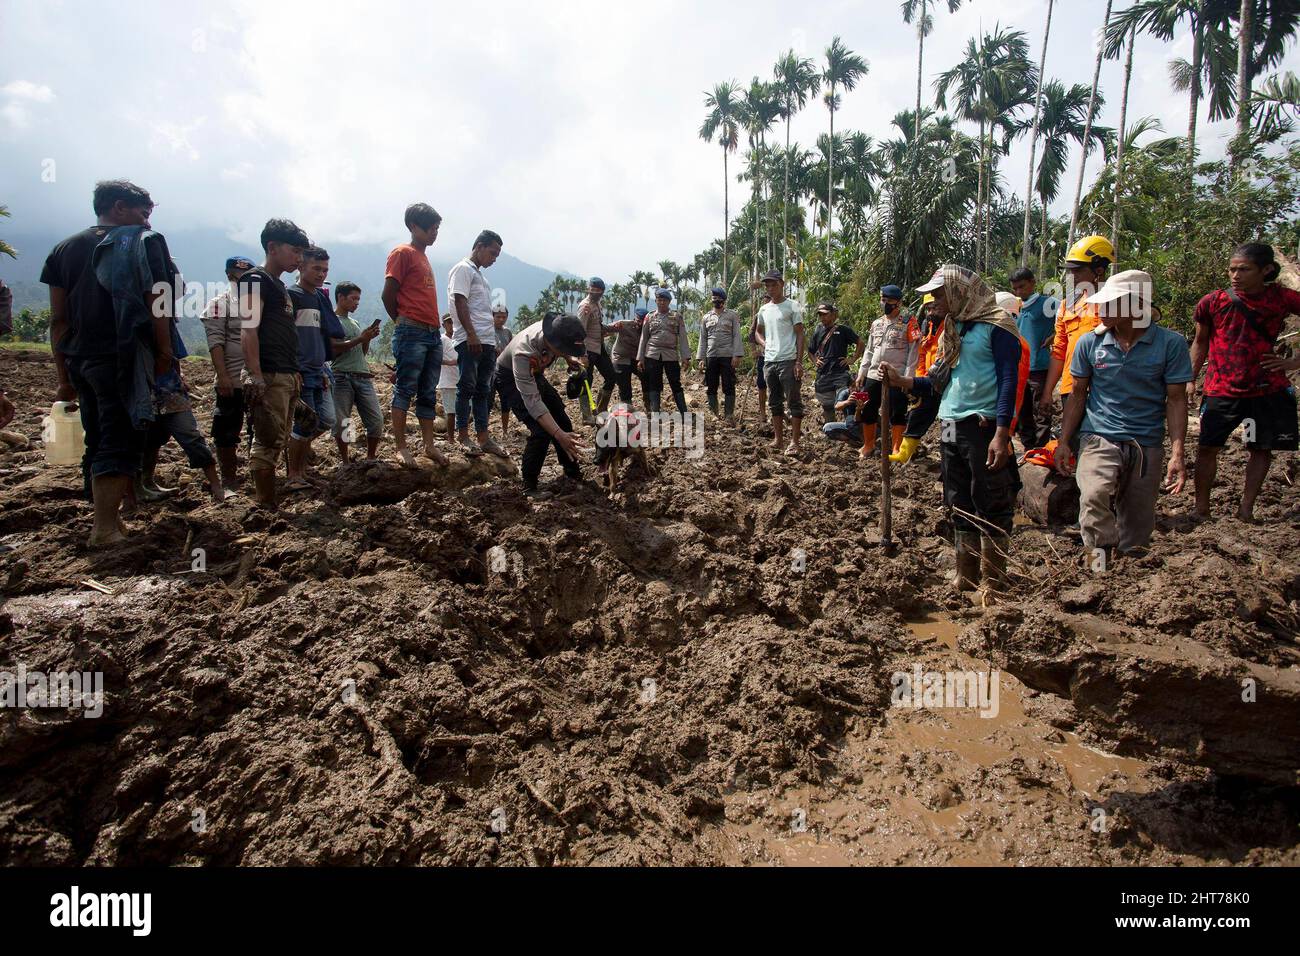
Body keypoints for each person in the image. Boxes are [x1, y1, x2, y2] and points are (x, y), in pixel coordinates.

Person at [881, 265, 1029, 594]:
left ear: (960, 293)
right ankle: (966, 575)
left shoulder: (999, 327)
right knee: (957, 497)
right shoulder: (953, 328)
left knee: (989, 496)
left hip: (983, 424)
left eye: (940, 293)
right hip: (950, 423)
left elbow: (1008, 382)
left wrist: (1002, 433)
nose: (933, 301)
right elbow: (936, 381)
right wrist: (901, 380)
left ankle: (993, 579)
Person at [42, 180, 175, 546]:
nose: (147, 221)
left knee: (97, 436)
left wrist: (63, 374)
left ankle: (109, 519)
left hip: (80, 358)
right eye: (143, 212)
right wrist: (163, 352)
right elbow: (158, 301)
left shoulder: (62, 249)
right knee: (121, 437)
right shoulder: (143, 243)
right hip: (122, 356)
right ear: (119, 207)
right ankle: (104, 528)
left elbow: (58, 318)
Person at [1056, 270, 1191, 566]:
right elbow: (1077, 396)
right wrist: (1064, 441)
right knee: (1093, 497)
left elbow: (1177, 399)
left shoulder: (1170, 344)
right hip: (1098, 436)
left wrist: (1177, 453)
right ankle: (1097, 569)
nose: (1099, 310)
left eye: (1109, 304)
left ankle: (1130, 579)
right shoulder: (1089, 344)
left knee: (1138, 520)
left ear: (1135, 305)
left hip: (1146, 442)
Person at [1191, 242, 1300, 522]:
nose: (1235, 275)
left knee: (1260, 447)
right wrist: (1189, 380)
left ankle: (1246, 509)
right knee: (1208, 446)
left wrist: (1294, 362)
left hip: (1265, 389)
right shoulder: (1213, 302)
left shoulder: (1282, 299)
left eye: (1244, 269)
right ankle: (1201, 509)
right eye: (1232, 269)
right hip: (1221, 388)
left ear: (1265, 270)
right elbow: (1200, 343)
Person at [238, 218, 310, 511]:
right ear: (272, 247)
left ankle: (269, 499)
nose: (299, 258)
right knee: (268, 440)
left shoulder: (279, 286)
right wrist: (255, 374)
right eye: (294, 251)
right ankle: (265, 505)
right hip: (268, 372)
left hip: (286, 373)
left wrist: (295, 372)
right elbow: (248, 328)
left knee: (280, 437)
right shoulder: (255, 280)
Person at [495, 312, 589, 498]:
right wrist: (557, 435)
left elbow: (558, 347)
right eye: (565, 350)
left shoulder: (555, 329)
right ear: (553, 343)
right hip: (509, 379)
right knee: (541, 431)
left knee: (562, 420)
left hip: (535, 374)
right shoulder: (525, 352)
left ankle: (571, 473)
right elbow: (533, 403)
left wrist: (569, 359)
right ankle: (529, 486)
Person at [384, 202, 448, 467]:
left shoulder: (423, 256)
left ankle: (429, 446)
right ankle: (401, 447)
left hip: (432, 333)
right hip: (412, 330)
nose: (434, 233)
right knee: (405, 388)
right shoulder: (403, 253)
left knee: (427, 391)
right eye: (430, 228)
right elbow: (388, 293)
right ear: (413, 227)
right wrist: (400, 321)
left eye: (436, 228)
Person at [449, 230, 509, 458]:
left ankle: (483, 437)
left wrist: (489, 340)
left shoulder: (482, 277)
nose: (493, 259)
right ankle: (464, 437)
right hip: (470, 340)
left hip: (486, 341)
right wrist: (471, 335)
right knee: (466, 387)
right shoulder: (463, 269)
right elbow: (460, 301)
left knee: (483, 390)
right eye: (492, 253)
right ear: (480, 246)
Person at [1039, 235, 1113, 421]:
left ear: (1099, 270)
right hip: (1071, 389)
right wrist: (1048, 392)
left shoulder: (1116, 305)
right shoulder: (1067, 305)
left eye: (1078, 270)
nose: (1072, 276)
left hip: (1107, 390)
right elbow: (1059, 351)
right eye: (1071, 271)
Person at [286, 247, 342, 490]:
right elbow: (286, 336)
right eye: (316, 268)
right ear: (301, 266)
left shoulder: (319, 298)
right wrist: (292, 368)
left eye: (325, 270)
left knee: (326, 419)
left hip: (318, 368)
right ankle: (294, 474)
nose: (321, 274)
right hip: (300, 368)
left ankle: (300, 466)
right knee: (305, 423)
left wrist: (323, 368)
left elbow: (323, 336)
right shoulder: (292, 295)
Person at [202, 255, 256, 493]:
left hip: (255, 379)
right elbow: (215, 342)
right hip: (231, 378)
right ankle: (229, 479)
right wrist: (222, 375)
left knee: (260, 429)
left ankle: (258, 474)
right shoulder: (219, 303)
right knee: (226, 431)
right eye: (240, 274)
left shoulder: (257, 304)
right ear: (229, 275)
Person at [855, 284, 918, 458]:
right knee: (867, 408)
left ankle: (896, 448)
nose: (885, 304)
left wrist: (908, 378)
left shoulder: (909, 323)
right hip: (874, 374)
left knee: (897, 410)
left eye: (889, 301)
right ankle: (868, 445)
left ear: (899, 303)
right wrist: (862, 372)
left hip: (896, 375)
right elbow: (869, 350)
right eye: (883, 300)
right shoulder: (876, 324)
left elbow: (914, 351)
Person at [330, 280, 383, 462]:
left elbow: (361, 353)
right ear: (340, 297)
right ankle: (346, 460)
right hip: (342, 376)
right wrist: (361, 338)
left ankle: (370, 457)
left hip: (362, 375)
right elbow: (333, 349)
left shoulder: (354, 321)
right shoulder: (332, 321)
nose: (357, 303)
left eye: (358, 300)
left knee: (376, 420)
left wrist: (366, 339)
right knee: (345, 421)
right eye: (353, 299)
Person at [752, 270, 804, 454]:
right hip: (770, 361)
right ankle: (778, 439)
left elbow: (799, 333)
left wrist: (799, 361)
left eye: (773, 284)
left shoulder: (793, 306)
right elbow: (758, 331)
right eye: (767, 285)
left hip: (788, 360)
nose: (770, 288)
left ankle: (795, 442)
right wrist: (764, 342)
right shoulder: (764, 309)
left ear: (782, 284)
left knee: (794, 402)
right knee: (774, 401)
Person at [890, 293, 945, 464]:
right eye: (928, 308)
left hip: (947, 380)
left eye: (934, 308)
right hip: (929, 380)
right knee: (917, 413)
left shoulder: (951, 326)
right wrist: (920, 378)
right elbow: (921, 353)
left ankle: (948, 456)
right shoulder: (927, 325)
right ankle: (904, 453)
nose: (930, 312)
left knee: (948, 421)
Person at [1010, 266, 1054, 450]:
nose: (1019, 292)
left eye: (1022, 286)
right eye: (1015, 288)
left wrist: (1055, 335)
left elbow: (1067, 322)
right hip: (1019, 366)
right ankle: (1028, 446)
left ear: (1033, 283)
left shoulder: (1048, 304)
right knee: (1021, 408)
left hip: (1039, 366)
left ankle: (1041, 447)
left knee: (1041, 408)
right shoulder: (1014, 306)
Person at [637, 289, 691, 415]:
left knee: (675, 382)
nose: (661, 302)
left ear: (669, 302)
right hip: (652, 353)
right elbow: (644, 338)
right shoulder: (649, 316)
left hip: (670, 354)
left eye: (664, 300)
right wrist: (640, 358)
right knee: (654, 383)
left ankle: (684, 413)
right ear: (655, 301)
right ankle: (656, 412)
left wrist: (685, 357)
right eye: (659, 300)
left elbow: (683, 337)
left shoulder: (677, 317)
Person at [808, 301, 860, 424]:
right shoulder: (818, 332)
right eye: (820, 315)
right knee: (827, 404)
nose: (822, 317)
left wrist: (852, 359)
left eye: (825, 314)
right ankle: (831, 429)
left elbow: (860, 343)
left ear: (832, 314)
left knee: (844, 399)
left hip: (840, 372)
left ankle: (850, 426)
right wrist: (815, 360)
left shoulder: (843, 330)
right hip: (824, 373)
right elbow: (810, 350)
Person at [697, 287, 744, 422]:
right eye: (714, 298)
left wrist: (737, 355)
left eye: (718, 298)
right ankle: (714, 413)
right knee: (711, 385)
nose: (716, 301)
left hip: (727, 355)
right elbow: (703, 338)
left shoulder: (732, 315)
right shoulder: (706, 317)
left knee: (728, 384)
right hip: (711, 355)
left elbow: (736, 336)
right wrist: (701, 358)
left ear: (723, 300)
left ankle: (729, 414)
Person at [578, 278, 619, 424]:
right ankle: (586, 415)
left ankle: (600, 409)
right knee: (586, 382)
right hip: (588, 348)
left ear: (602, 292)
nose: (595, 292)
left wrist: (610, 329)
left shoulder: (597, 304)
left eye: (598, 290)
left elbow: (597, 325)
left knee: (611, 376)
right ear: (589, 289)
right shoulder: (585, 306)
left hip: (599, 346)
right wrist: (582, 355)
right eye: (592, 289)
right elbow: (580, 331)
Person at [611, 307, 647, 406]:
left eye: (642, 322)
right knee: (624, 384)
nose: (639, 324)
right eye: (638, 321)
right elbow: (607, 328)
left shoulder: (647, 329)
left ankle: (649, 403)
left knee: (646, 376)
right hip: (620, 358)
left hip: (635, 358)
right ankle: (627, 407)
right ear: (635, 319)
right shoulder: (624, 324)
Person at [491, 304, 514, 436]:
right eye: (498, 316)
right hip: (490, 371)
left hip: (505, 371)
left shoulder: (507, 332)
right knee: (488, 401)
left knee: (506, 402)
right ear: (492, 317)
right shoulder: (488, 331)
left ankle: (505, 431)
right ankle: (484, 431)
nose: (501, 319)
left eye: (504, 317)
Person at [438, 314, 460, 444]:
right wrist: (449, 362)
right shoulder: (441, 339)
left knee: (464, 410)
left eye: (453, 322)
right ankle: (451, 439)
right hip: (448, 381)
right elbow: (435, 358)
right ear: (444, 325)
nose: (451, 325)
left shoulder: (460, 339)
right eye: (449, 323)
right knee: (451, 412)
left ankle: (461, 436)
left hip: (461, 379)